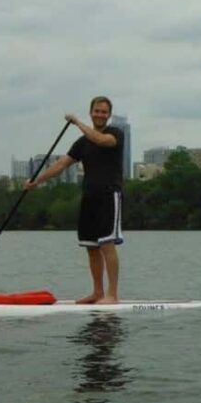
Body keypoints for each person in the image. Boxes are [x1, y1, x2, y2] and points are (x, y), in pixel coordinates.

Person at [25, 96, 124, 304]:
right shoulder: (81, 143)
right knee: (91, 247)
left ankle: (112, 295)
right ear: (91, 112)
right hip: (89, 197)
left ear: (109, 115)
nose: (100, 115)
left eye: (104, 112)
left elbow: (100, 140)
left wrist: (77, 122)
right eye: (96, 111)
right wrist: (36, 181)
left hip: (109, 195)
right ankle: (97, 292)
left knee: (107, 244)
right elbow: (61, 164)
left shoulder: (116, 134)